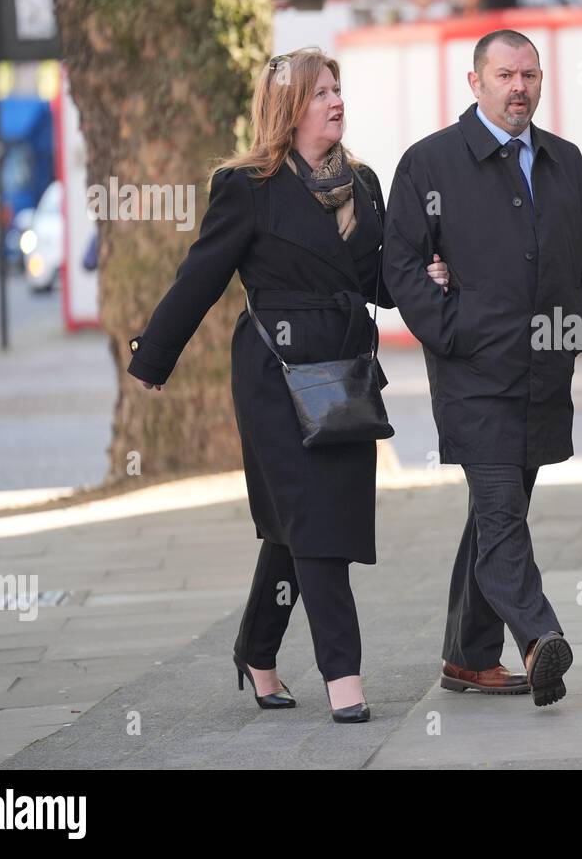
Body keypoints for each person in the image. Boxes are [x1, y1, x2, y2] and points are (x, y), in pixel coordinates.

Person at [125, 47, 450, 723]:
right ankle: (345, 676)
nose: (335, 101)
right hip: (274, 372)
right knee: (315, 520)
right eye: (319, 92)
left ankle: (256, 649)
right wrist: (155, 357)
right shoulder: (246, 186)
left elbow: (376, 284)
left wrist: (428, 277)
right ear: (287, 107)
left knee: (293, 525)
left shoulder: (359, 182)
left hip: (345, 371)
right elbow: (201, 276)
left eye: (336, 88)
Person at [384, 29, 582, 708]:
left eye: (530, 75)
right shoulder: (430, 165)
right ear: (476, 82)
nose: (520, 87)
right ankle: (540, 637)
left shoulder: (566, 164)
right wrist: (450, 329)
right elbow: (401, 264)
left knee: (496, 516)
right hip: (472, 376)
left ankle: (467, 657)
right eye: (506, 74)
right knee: (502, 513)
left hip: (545, 377)